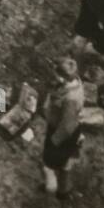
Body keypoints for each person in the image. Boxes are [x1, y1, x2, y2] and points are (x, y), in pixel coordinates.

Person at [42, 57, 85, 199]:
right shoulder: (74, 82)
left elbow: (67, 126)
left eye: (55, 74)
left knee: (48, 167)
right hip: (72, 132)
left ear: (62, 77)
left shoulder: (69, 99)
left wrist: (54, 142)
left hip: (62, 135)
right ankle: (64, 190)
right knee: (66, 163)